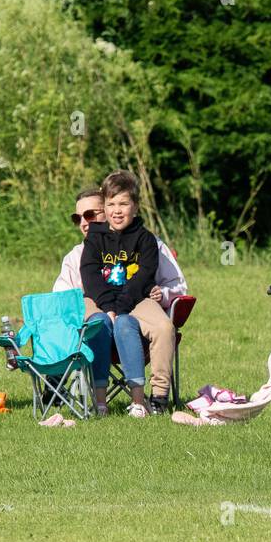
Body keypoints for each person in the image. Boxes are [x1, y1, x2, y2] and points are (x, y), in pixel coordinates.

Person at [55, 185, 187, 414]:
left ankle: (156, 400)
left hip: (137, 323)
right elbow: (61, 301)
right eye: (78, 218)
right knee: (94, 322)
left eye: (90, 214)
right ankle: (87, 396)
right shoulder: (75, 257)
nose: (85, 222)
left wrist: (161, 294)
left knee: (157, 326)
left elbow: (178, 286)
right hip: (96, 327)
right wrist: (105, 310)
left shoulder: (149, 243)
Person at [79, 171, 172, 418]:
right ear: (104, 207)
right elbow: (90, 275)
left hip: (136, 299)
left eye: (123, 204)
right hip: (99, 299)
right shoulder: (95, 237)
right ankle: (96, 397)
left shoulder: (146, 239)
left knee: (164, 326)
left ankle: (159, 395)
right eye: (111, 204)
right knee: (94, 323)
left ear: (136, 207)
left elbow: (143, 276)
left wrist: (120, 308)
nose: (117, 211)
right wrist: (108, 307)